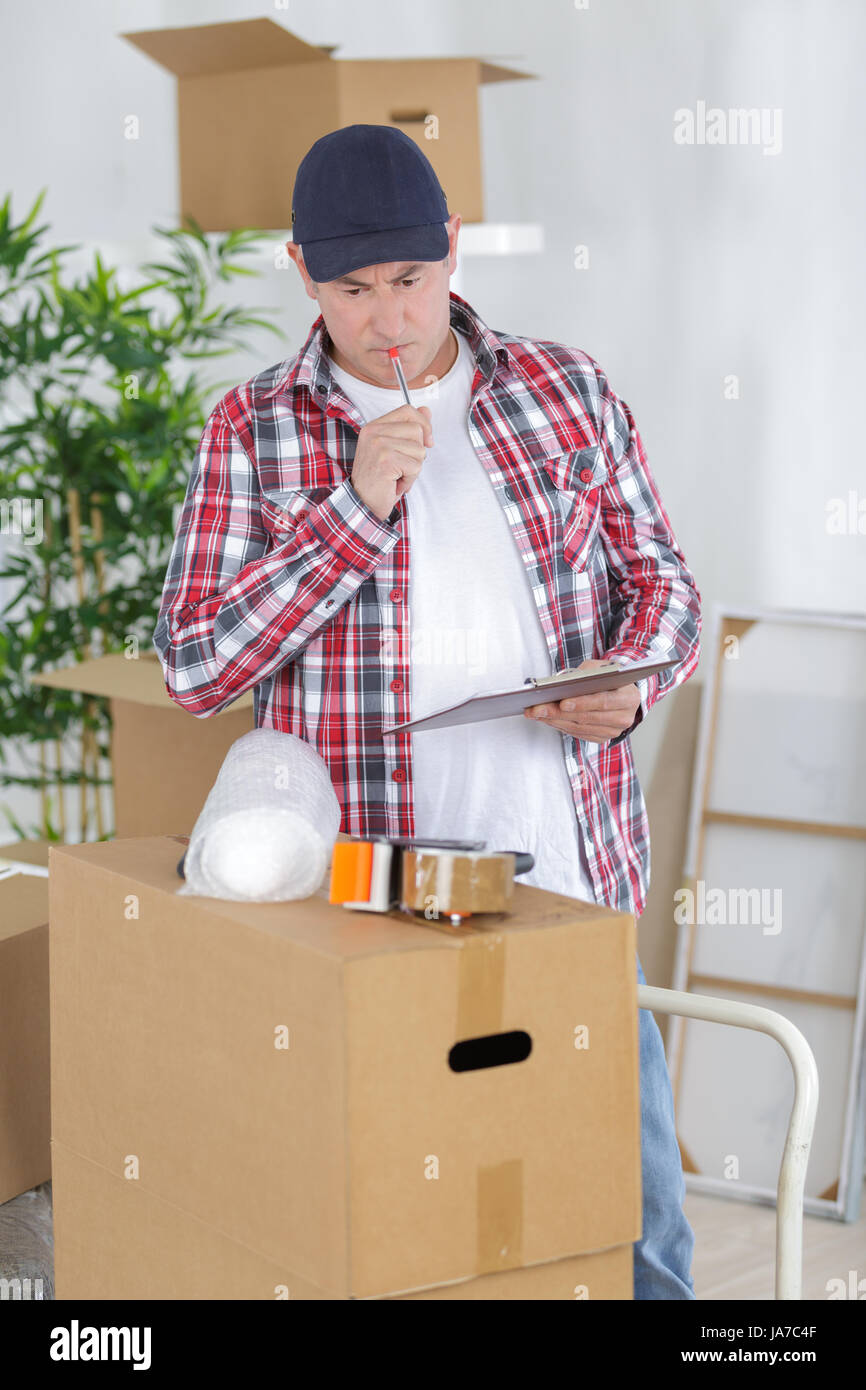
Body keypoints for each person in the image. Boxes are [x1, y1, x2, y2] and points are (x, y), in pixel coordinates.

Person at [152, 123, 702, 1299]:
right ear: (302, 272)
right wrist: (352, 506)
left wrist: (632, 679)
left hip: (567, 873)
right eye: (352, 290)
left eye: (409, 280)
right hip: (371, 901)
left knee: (637, 1223)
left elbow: (663, 580)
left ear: (452, 248)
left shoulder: (564, 387)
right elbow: (194, 667)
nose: (387, 318)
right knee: (407, 1230)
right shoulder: (250, 429)